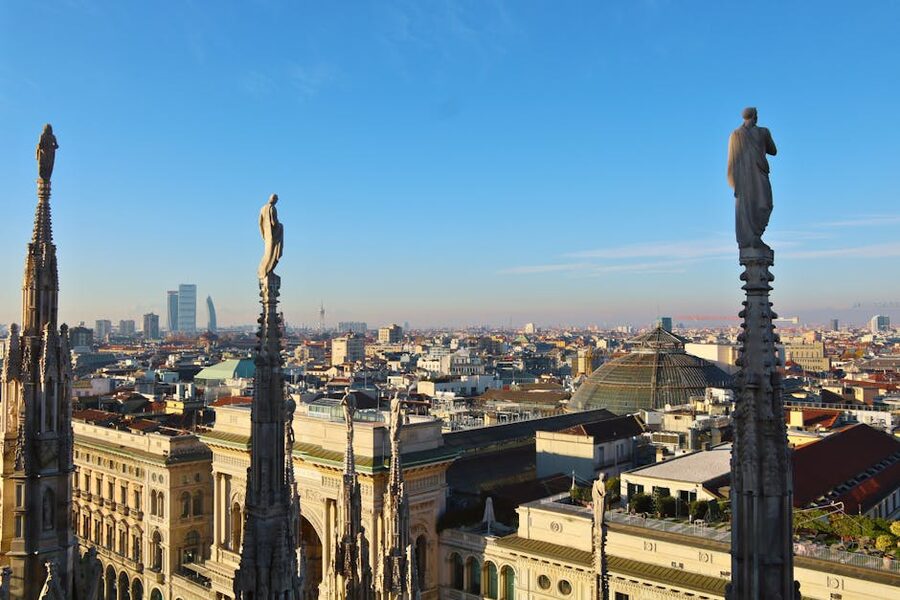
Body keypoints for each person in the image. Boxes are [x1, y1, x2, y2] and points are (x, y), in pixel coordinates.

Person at [728, 107, 777, 251]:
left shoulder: (735, 135)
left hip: (745, 177)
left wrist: (732, 181)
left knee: (753, 205)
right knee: (764, 204)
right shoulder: (763, 132)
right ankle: (753, 238)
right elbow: (773, 151)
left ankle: (754, 237)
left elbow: (731, 161)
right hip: (752, 175)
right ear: (755, 117)